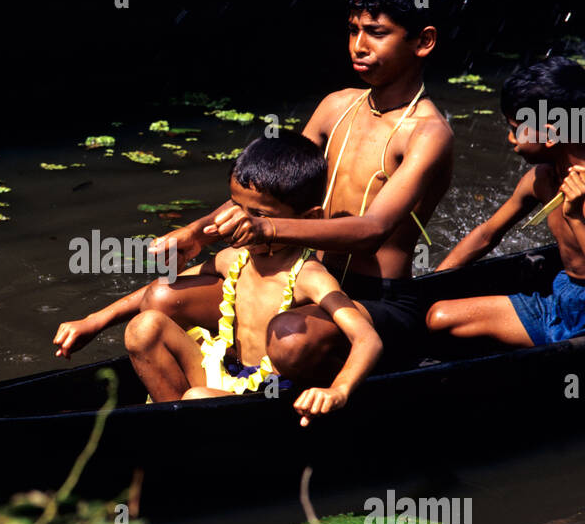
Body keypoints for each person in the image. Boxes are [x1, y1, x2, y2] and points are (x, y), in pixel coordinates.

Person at [142, 0, 453, 381]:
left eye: (376, 33)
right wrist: (196, 233)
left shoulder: (428, 133)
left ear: (423, 42)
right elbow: (271, 194)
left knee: (289, 337)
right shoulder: (335, 107)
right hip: (301, 278)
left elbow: (371, 230)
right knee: (161, 298)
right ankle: (198, 403)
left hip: (375, 300)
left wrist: (269, 231)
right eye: (352, 29)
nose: (358, 46)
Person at [53, 133, 382, 426]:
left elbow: (367, 338)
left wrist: (338, 391)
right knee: (144, 326)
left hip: (267, 394)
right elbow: (156, 289)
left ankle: (181, 431)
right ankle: (173, 424)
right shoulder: (233, 260)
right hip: (224, 373)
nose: (240, 221)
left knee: (196, 399)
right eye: (237, 207)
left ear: (308, 219)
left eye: (260, 215)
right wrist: (93, 322)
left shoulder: (308, 275)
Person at [426, 56, 585, 346]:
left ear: (549, 134)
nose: (510, 139)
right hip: (561, 302)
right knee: (438, 317)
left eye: (515, 129)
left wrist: (575, 218)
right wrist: (428, 286)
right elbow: (486, 234)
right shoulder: (540, 180)